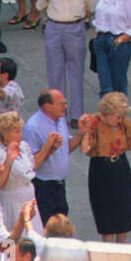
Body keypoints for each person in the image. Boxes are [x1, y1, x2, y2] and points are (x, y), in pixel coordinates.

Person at [79, 92, 131, 243]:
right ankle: (107, 250)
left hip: (120, 166)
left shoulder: (124, 123)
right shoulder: (93, 122)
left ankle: (121, 248)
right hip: (101, 169)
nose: (120, 119)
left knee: (123, 212)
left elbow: (130, 145)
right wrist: (85, 133)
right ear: (107, 113)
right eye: (117, 116)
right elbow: (85, 150)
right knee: (106, 213)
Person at [23, 90, 82, 220]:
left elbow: (66, 148)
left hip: (60, 185)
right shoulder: (32, 127)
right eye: (62, 104)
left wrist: (81, 133)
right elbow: (31, 163)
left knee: (61, 225)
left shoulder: (60, 120)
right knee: (47, 225)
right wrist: (49, 147)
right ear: (48, 106)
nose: (66, 106)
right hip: (43, 186)